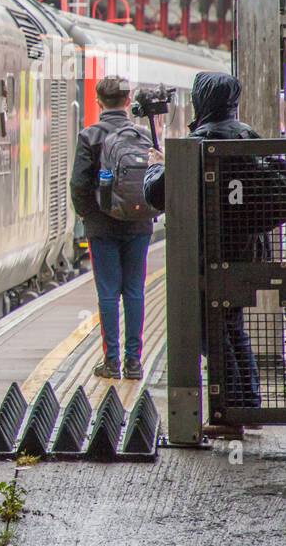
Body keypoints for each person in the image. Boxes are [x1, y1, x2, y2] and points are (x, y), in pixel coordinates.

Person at [143, 71, 263, 407]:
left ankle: (231, 406)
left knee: (211, 331)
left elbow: (158, 193)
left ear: (202, 100)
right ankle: (247, 400)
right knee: (232, 325)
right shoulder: (247, 136)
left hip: (206, 253)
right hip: (245, 251)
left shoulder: (200, 141)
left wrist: (155, 166)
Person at [70, 76, 154, 381]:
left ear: (99, 102)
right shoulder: (144, 136)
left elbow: (79, 184)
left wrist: (88, 216)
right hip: (138, 224)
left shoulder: (89, 136)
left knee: (108, 293)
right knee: (134, 291)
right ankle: (135, 363)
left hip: (102, 226)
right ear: (128, 101)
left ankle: (112, 362)